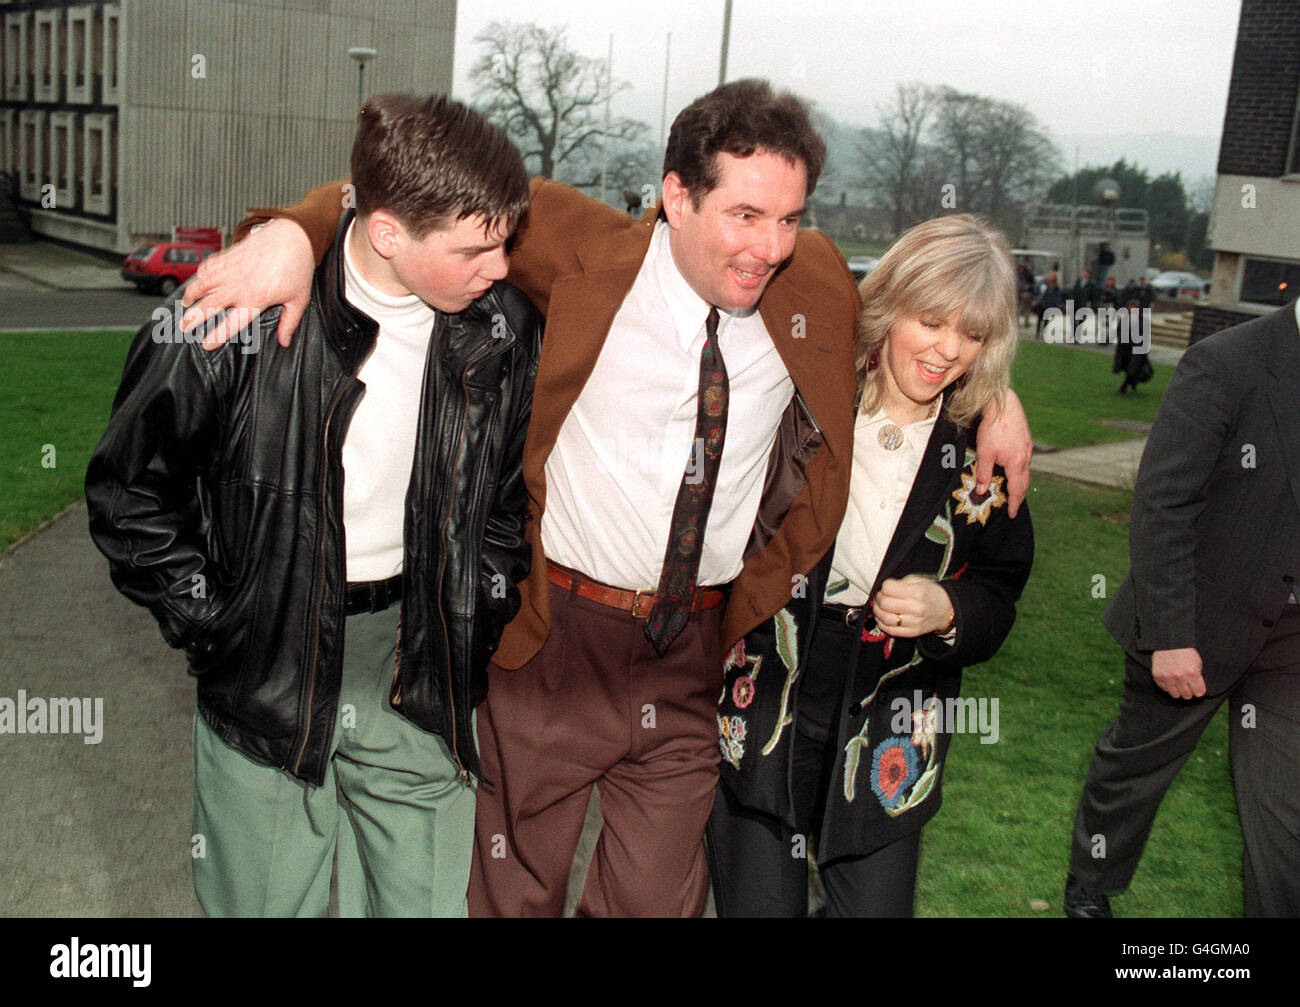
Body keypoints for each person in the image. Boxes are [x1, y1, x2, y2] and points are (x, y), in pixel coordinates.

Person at [179, 78, 1035, 917]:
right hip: (556, 640)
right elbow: (409, 199)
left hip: (697, 651)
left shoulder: (810, 282)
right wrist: (295, 232)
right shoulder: (572, 240)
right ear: (676, 195)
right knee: (513, 892)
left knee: (656, 898)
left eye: (789, 217)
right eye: (745, 214)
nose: (770, 245)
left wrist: (995, 402)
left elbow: (925, 327)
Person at [84, 93, 542, 916]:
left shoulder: (505, 329)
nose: (503, 266)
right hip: (271, 665)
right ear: (388, 232)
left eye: (507, 241)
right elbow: (129, 494)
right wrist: (219, 624)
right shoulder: (231, 319)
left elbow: (504, 502)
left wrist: (480, 611)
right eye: (478, 248)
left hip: (418, 668)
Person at [708, 214, 1034, 917]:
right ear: (889, 305)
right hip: (770, 694)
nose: (948, 350)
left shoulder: (983, 455)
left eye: (972, 334)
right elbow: (798, 257)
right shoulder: (804, 396)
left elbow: (1003, 589)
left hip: (893, 717)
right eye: (932, 320)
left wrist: (950, 609)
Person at [1065, 298, 1300, 918]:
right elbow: (1163, 503)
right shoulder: (1225, 363)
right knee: (1134, 773)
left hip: (1292, 642)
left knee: (1285, 810)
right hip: (1198, 619)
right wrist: (1170, 634)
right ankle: (1089, 891)